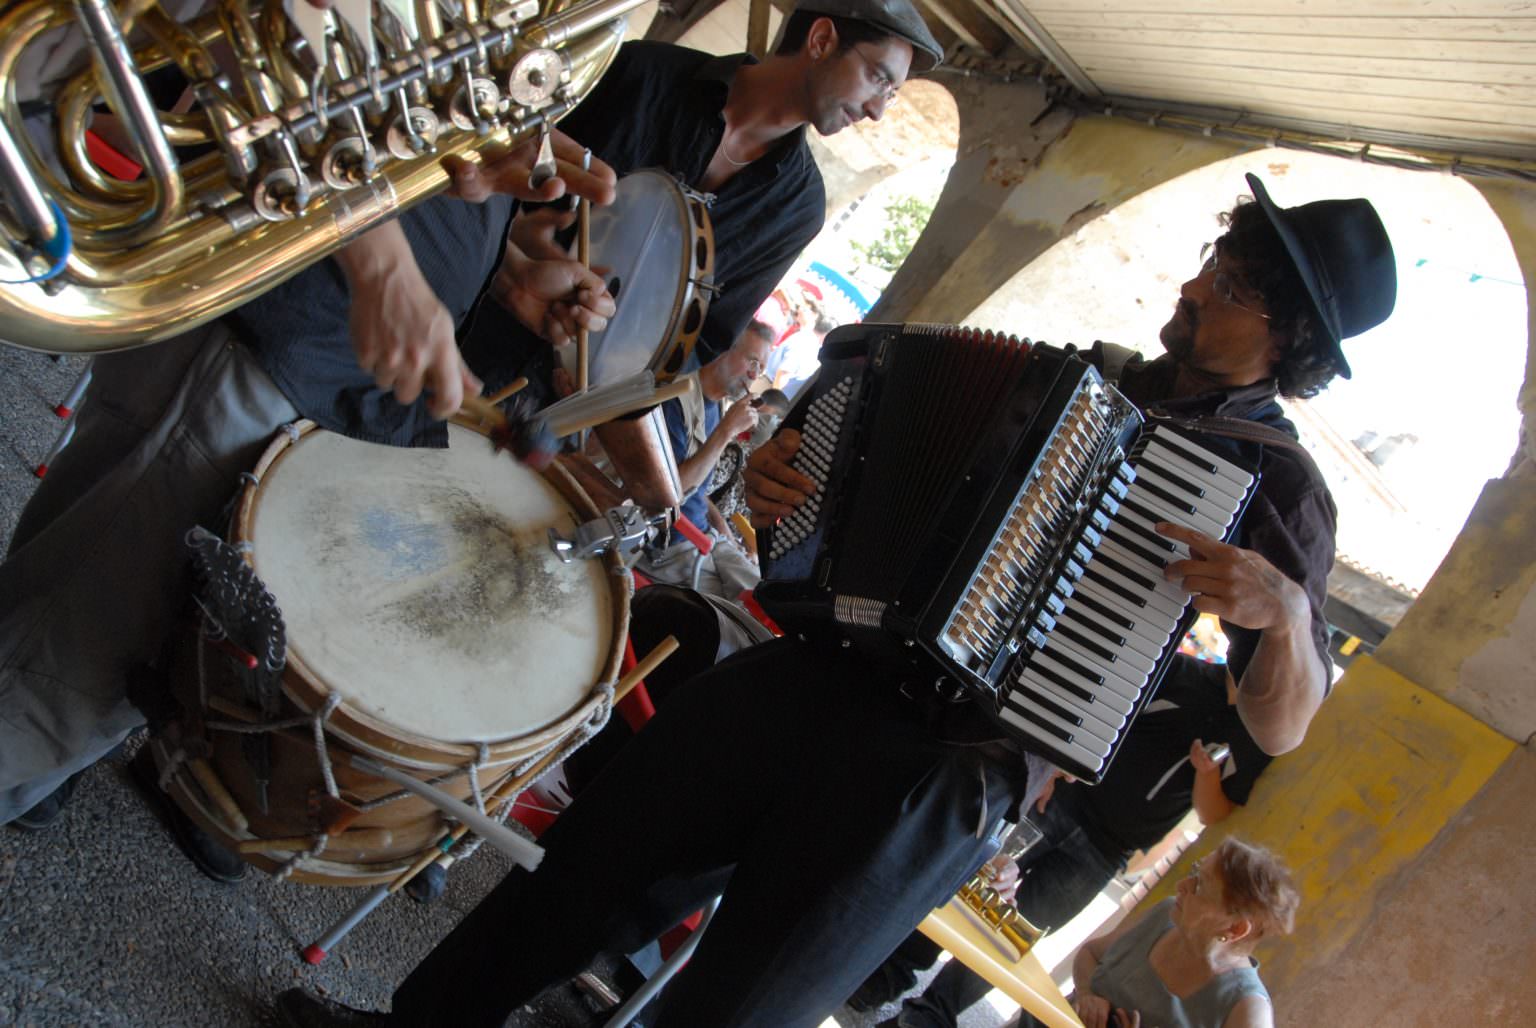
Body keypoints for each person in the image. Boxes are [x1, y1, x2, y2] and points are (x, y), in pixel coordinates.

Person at [273, 175, 1390, 1028]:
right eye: (1213, 261)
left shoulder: (1274, 483)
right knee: (582, 876)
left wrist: (1287, 616)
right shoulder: (1087, 381)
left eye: (1234, 285)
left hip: (948, 772)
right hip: (817, 673)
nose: (1196, 288)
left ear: (1288, 339)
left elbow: (1280, 721)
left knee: (732, 1007)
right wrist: (787, 493)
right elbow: (851, 478)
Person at [0, 124, 618, 852]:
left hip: (312, 358)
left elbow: (397, 130)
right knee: (56, 669)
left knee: (102, 663)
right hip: (278, 326)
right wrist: (382, 265)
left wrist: (507, 269)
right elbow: (295, 87)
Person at [458, 0, 943, 413]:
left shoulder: (799, 209)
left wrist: (609, 385)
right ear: (820, 40)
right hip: (452, 322)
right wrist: (513, 264)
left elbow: (703, 340)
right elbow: (495, 163)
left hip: (548, 409)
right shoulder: (643, 71)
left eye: (892, 94)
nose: (879, 110)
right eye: (878, 79)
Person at [1056, 836, 1297, 1028]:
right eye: (1195, 872)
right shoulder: (1167, 913)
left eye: (1201, 885)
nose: (1183, 886)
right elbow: (1090, 953)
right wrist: (1086, 994)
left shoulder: (1246, 1009)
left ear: (1235, 928)